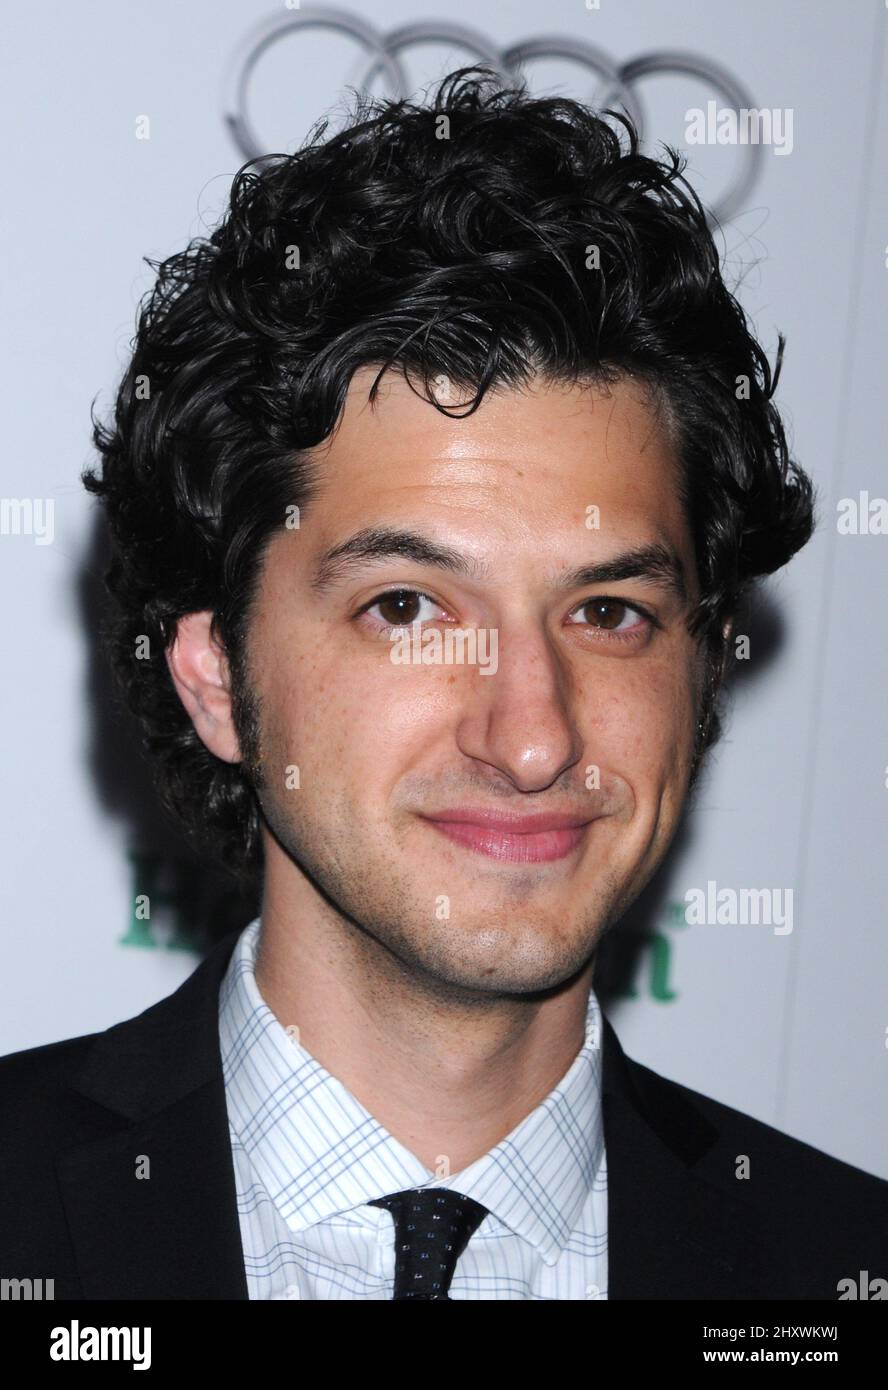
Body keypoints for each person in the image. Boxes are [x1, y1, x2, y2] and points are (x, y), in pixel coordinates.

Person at [1, 67, 885, 1301]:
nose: (531, 736)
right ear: (213, 675)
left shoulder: (844, 1270)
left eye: (609, 612)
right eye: (409, 608)